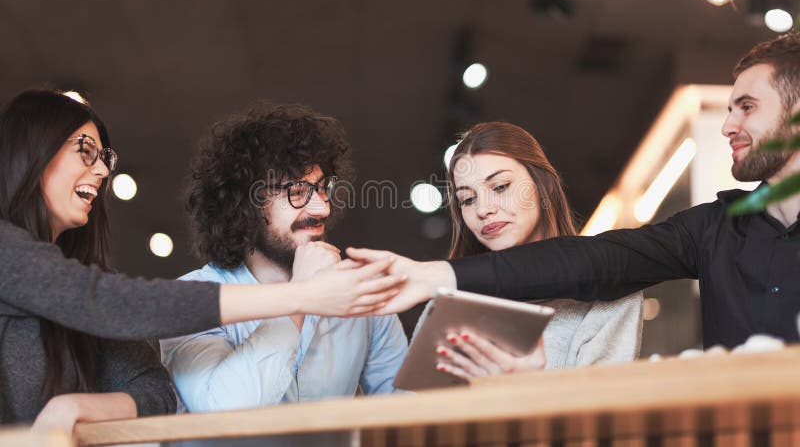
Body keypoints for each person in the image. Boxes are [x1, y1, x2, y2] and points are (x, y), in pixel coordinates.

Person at [349, 32, 800, 350]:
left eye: (747, 107)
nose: (727, 125)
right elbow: (593, 260)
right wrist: (434, 276)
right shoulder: (711, 229)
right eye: (468, 198)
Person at [0, 90, 405, 428]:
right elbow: (109, 302)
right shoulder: (22, 259)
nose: (103, 171)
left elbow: (155, 393)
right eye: (296, 190)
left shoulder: (364, 300)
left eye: (104, 157)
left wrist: (73, 407)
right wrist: (302, 297)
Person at [160, 104, 407, 412]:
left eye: (322, 188)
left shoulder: (366, 294)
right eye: (297, 191)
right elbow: (224, 410)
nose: (322, 208)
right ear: (244, 206)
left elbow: (406, 413)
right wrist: (302, 295)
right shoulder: (191, 298)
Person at [423, 122, 641, 381]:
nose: (483, 209)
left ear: (543, 185)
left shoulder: (609, 288)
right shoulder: (451, 305)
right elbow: (416, 399)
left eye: (500, 186)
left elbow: (603, 403)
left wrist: (526, 386)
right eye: (468, 199)